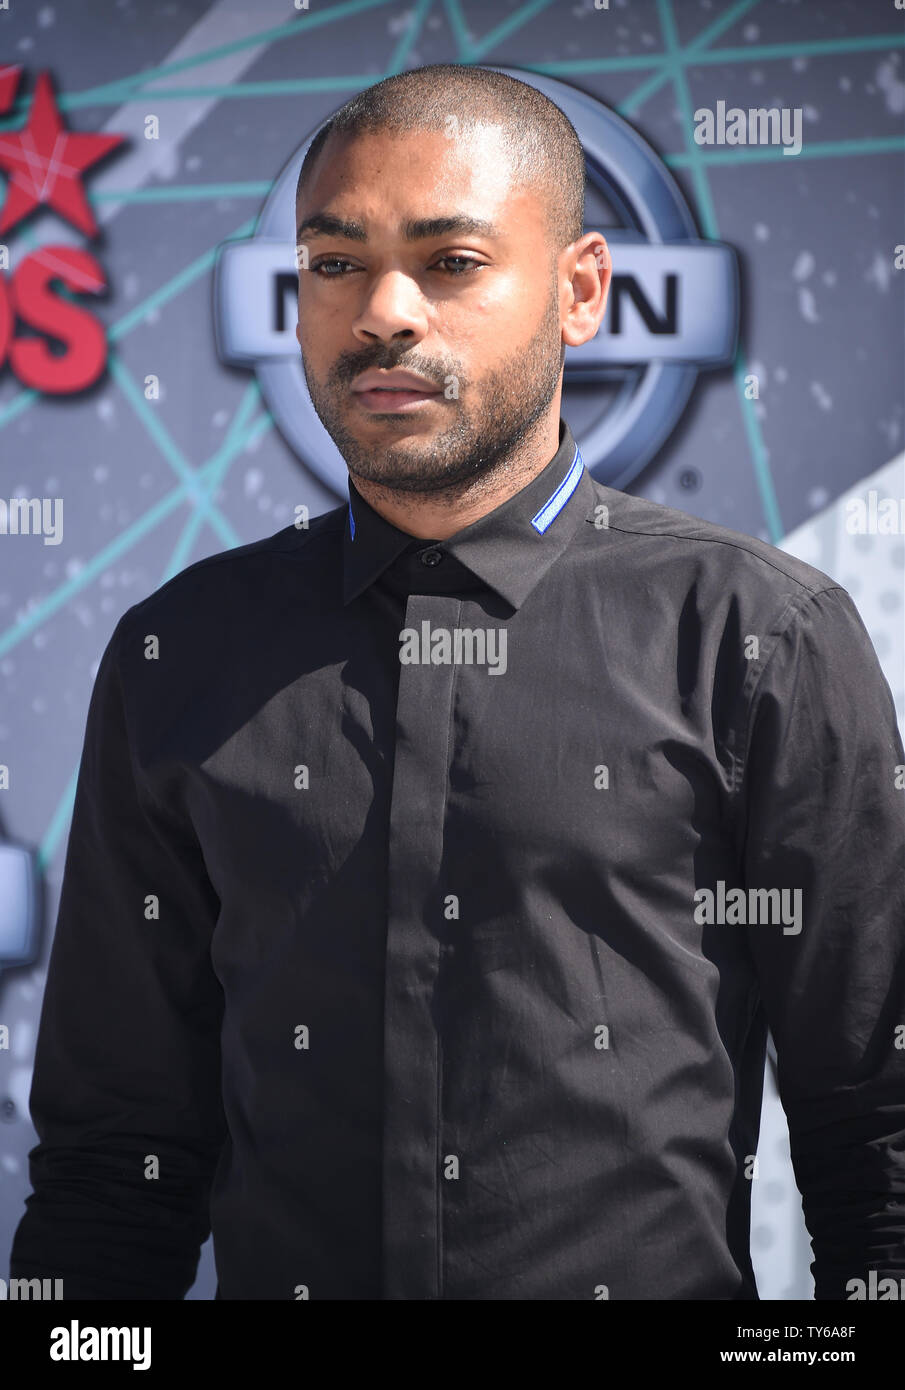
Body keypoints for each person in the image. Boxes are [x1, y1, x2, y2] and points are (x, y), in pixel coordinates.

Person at [10, 63, 905, 1301]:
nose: (383, 311)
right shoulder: (181, 654)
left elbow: (881, 1144)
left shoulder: (759, 635)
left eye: (451, 262)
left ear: (580, 290)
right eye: (334, 263)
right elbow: (117, 1167)